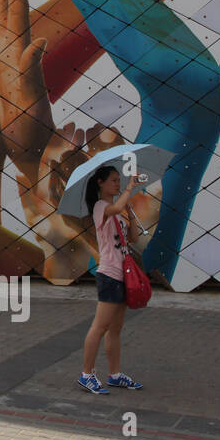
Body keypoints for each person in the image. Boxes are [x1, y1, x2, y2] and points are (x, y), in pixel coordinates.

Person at [79, 165, 145, 395]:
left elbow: (134, 239)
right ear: (101, 183)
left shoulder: (116, 210)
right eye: (114, 181)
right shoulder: (100, 207)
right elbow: (113, 207)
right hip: (109, 275)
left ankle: (115, 374)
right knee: (100, 326)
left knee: (115, 328)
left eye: (120, 181)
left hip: (123, 276)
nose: (118, 184)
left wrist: (131, 214)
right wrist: (129, 189)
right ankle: (87, 374)